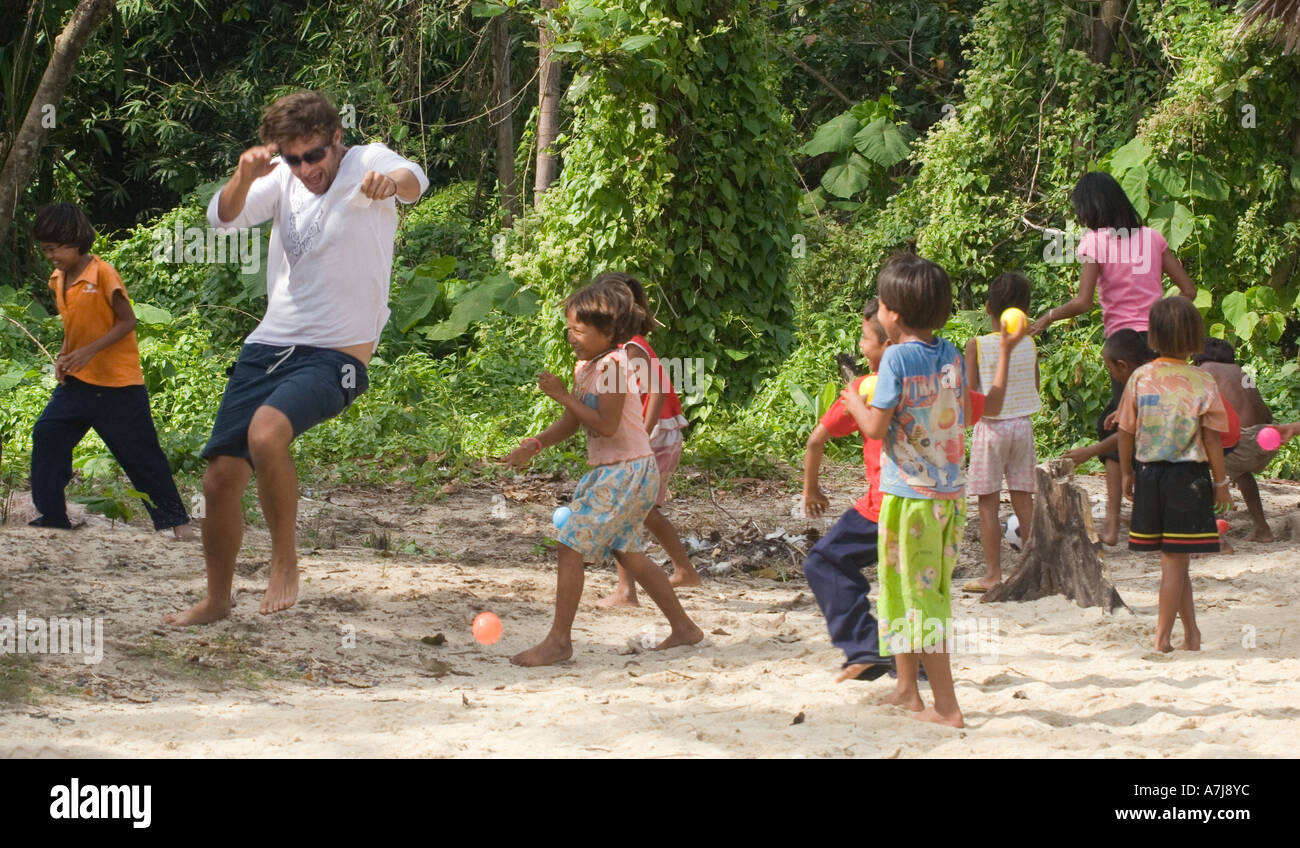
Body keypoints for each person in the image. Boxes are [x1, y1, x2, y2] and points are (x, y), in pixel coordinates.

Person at [165, 90, 428, 625]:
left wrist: (391, 184)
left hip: (338, 354)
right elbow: (223, 218)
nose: (306, 169)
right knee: (219, 481)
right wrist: (246, 174)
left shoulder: (365, 161)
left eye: (315, 155)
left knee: (266, 434)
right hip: (268, 346)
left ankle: (284, 558)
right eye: (293, 158)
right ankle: (217, 600)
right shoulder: (282, 177)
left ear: (336, 139)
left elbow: (414, 180)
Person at [501, 279, 703, 666]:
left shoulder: (613, 365)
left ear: (608, 332)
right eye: (569, 328)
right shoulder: (588, 366)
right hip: (620, 469)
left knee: (569, 544)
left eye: (579, 329)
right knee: (629, 553)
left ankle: (559, 641)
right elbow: (573, 422)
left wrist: (561, 394)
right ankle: (684, 627)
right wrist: (535, 444)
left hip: (624, 471)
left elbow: (607, 425)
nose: (570, 336)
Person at [839, 253, 978, 728]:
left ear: (892, 314)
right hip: (946, 498)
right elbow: (960, 413)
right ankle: (906, 690)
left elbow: (876, 429)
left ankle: (948, 708)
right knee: (899, 593)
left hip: (910, 500)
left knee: (920, 603)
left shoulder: (896, 356)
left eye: (879, 304)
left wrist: (854, 401)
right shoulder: (952, 355)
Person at [1032, 172, 1196, 544]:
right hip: (1158, 341)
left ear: (1090, 208)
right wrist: (1163, 317)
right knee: (1157, 425)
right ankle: (1164, 514)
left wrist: (1047, 317)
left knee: (1116, 425)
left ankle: (1113, 524)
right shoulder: (1153, 238)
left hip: (1123, 347)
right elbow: (1188, 290)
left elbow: (1084, 302)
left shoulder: (1095, 242)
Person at [30, 204, 193, 539]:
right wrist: (65, 354)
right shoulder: (57, 280)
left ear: (74, 240)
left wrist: (88, 351)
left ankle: (177, 523)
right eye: (45, 250)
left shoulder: (102, 273)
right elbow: (74, 326)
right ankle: (53, 516)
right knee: (48, 434)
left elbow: (127, 321)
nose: (50, 257)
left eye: (54, 249)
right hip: (77, 384)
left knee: (141, 455)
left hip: (119, 386)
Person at [1117, 298, 1231, 653]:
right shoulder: (1202, 380)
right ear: (1196, 336)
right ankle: (1175, 637)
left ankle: (1170, 638)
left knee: (1173, 558)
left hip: (1148, 473)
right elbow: (1212, 437)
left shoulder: (1140, 376)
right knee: (1176, 559)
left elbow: (1125, 430)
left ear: (1153, 335)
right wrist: (1222, 482)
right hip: (1189, 479)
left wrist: (1125, 473)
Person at [590, 271, 701, 606]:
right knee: (644, 512)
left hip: (654, 440)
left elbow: (653, 391)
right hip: (661, 438)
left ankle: (626, 591)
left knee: (627, 512)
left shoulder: (632, 348)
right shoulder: (627, 347)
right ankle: (684, 570)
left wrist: (641, 436)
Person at [963, 273, 1040, 592]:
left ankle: (993, 574)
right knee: (1024, 499)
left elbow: (970, 392)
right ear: (1025, 310)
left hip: (991, 430)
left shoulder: (976, 345)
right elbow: (1034, 385)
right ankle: (1034, 568)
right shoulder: (1030, 342)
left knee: (988, 504)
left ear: (987, 308)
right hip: (1022, 426)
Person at [1063, 330, 1156, 543]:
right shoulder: (1149, 377)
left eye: (1110, 369)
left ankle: (1141, 518)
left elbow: (1129, 433)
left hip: (1168, 461)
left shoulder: (1146, 385)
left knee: (1117, 429)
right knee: (1109, 422)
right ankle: (1139, 517)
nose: (1112, 376)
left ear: (1123, 365)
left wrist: (1090, 451)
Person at [1194, 338, 1279, 542]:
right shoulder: (1241, 372)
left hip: (1243, 439)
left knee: (1200, 467)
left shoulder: (1204, 370)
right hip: (1269, 436)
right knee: (1241, 473)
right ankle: (1262, 528)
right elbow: (1261, 409)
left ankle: (1213, 533)